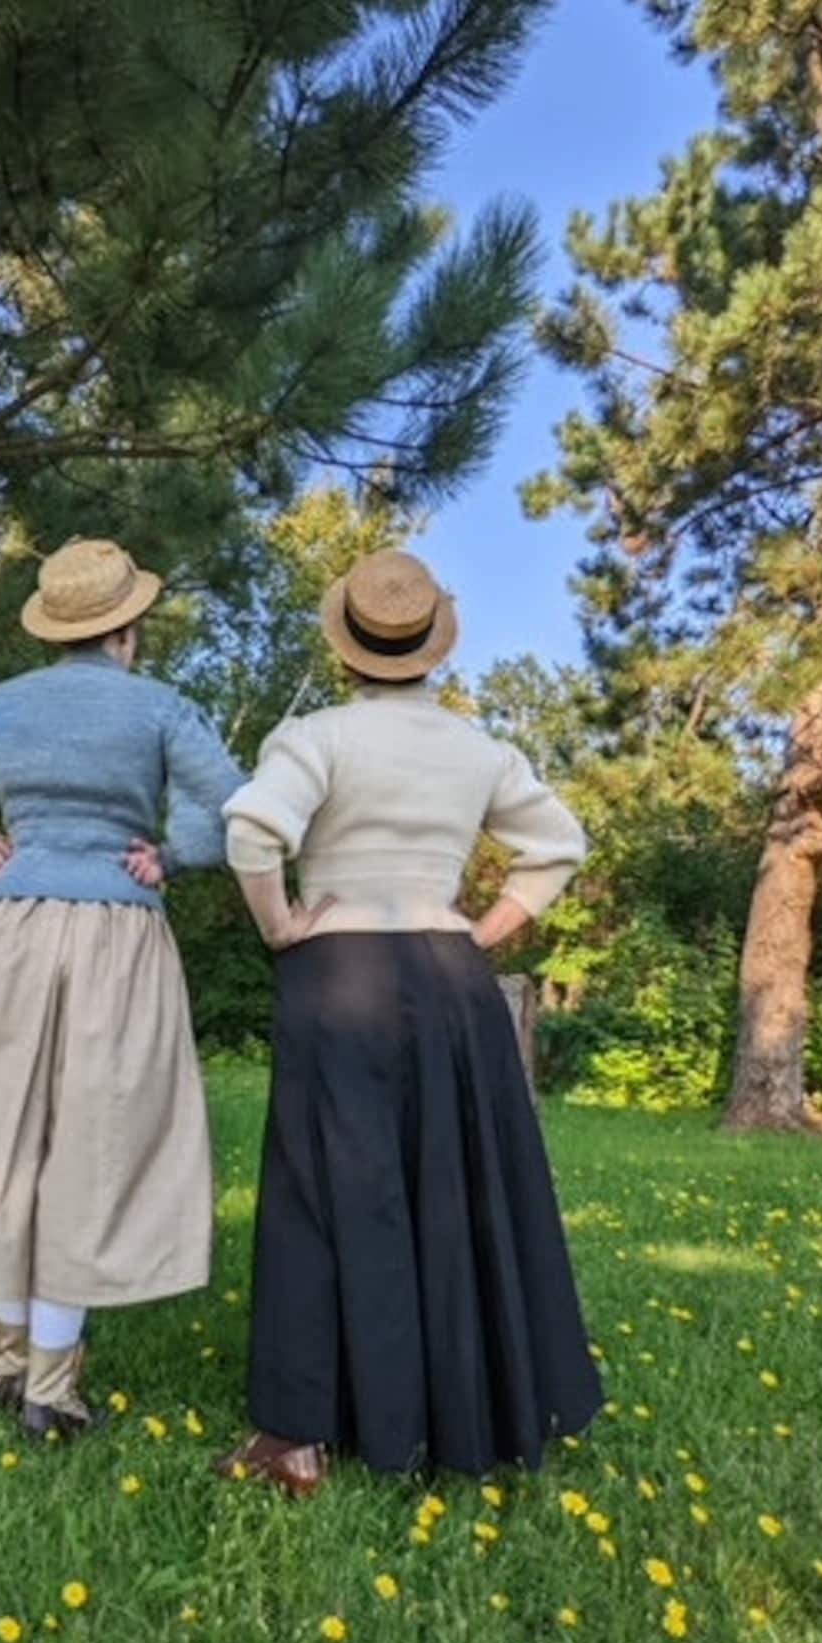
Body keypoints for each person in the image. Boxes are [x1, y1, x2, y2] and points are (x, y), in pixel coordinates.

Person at [216, 548, 603, 1495]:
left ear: (347, 648)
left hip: (336, 965)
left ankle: (298, 1439)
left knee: (321, 1192)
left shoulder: (316, 738)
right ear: (434, 651)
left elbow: (252, 829)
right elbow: (559, 843)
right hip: (448, 971)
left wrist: (279, 927)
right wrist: (486, 929)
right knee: (452, 1184)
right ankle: (458, 1415)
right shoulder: (481, 749)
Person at [0, 535, 243, 1439]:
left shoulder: (1, 707)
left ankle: (7, 1364)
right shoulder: (162, 707)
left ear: (56, 629)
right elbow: (240, 810)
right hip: (118, 935)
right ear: (131, 626)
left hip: (11, 932)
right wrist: (175, 851)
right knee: (92, 1143)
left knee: (5, 1138)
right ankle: (51, 1385)